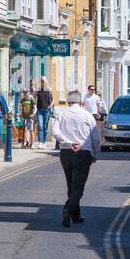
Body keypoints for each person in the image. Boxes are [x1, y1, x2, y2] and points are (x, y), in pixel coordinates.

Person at [52, 88, 101, 227]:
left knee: (71, 184)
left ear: (68, 101)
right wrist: (95, 153)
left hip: (66, 153)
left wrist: (67, 142)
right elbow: (96, 138)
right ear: (81, 102)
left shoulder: (62, 114)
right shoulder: (87, 115)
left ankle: (76, 215)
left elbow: (55, 131)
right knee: (78, 186)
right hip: (83, 153)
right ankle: (67, 209)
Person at [35, 76, 54, 148]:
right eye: (41, 81)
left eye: (43, 81)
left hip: (46, 110)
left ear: (46, 82)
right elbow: (35, 98)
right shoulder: (38, 90)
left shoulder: (49, 90)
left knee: (45, 127)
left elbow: (52, 100)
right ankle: (40, 142)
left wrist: (50, 106)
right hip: (39, 110)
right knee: (40, 126)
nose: (42, 82)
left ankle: (44, 142)